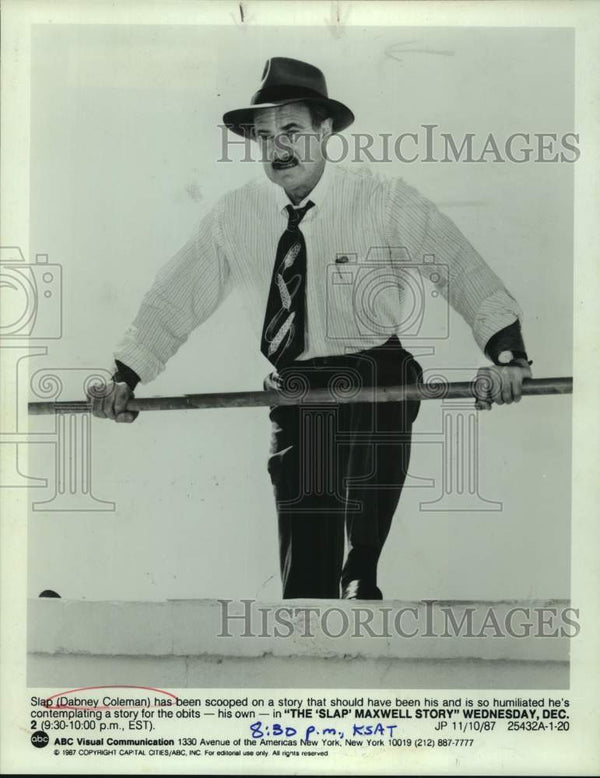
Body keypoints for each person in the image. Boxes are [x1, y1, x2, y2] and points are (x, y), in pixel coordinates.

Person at [91, 57, 532, 600]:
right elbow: (174, 298)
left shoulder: (383, 199)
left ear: (325, 131)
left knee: (380, 398)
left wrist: (507, 356)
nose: (279, 147)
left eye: (293, 130)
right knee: (306, 567)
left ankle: (360, 569)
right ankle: (310, 613)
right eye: (266, 135)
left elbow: (462, 269)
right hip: (299, 385)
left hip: (375, 372)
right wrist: (123, 376)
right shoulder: (236, 216)